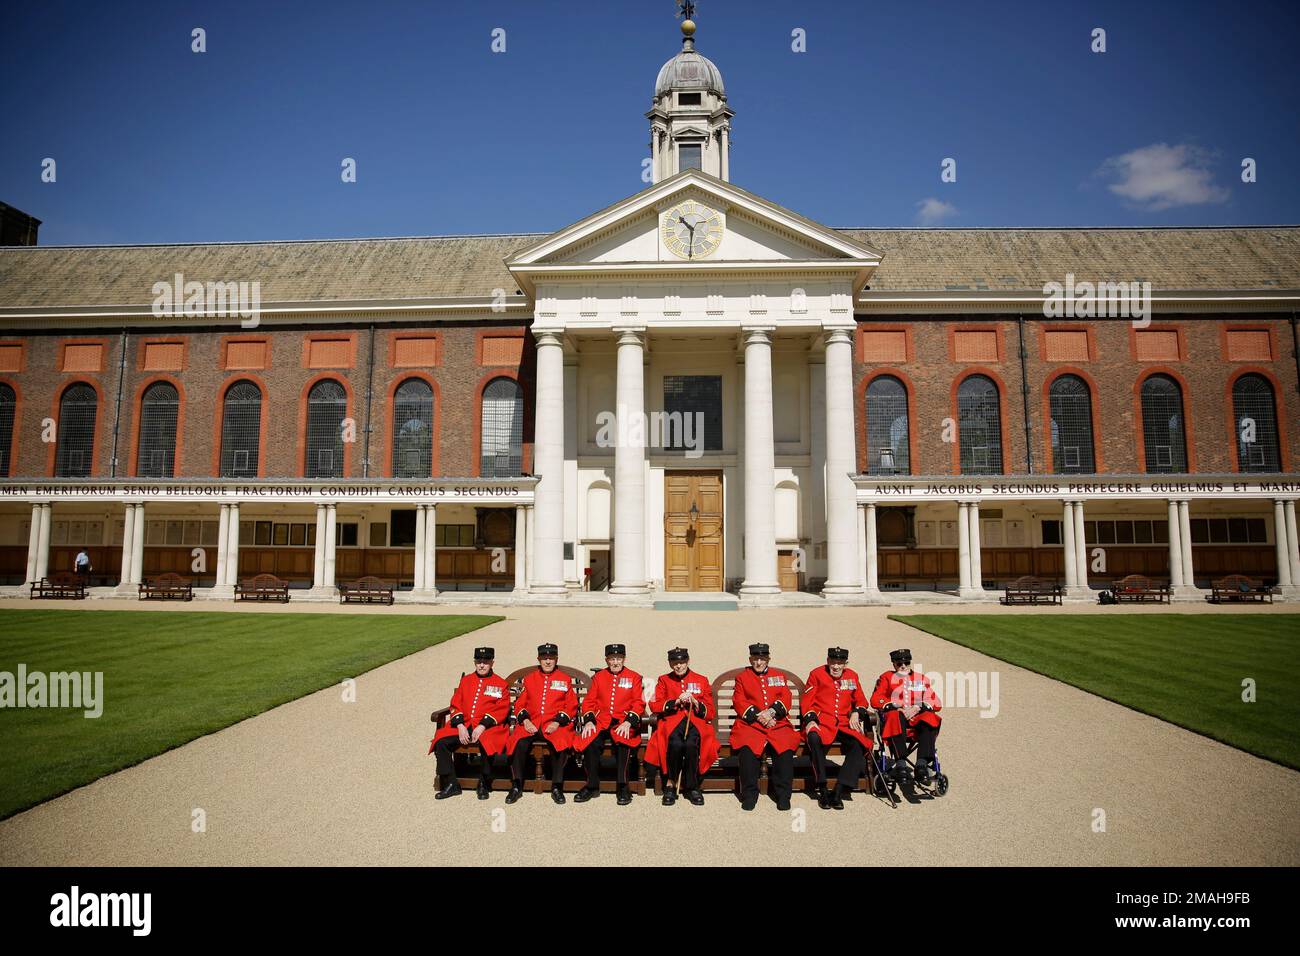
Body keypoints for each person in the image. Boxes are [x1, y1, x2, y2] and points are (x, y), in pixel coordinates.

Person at [429, 647, 511, 800]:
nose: (482, 665)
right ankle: (451, 783)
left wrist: (482, 726)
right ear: (474, 662)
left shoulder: (500, 684)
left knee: (488, 741)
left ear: (492, 663)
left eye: (485, 662)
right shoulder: (466, 681)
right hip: (465, 724)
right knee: (441, 742)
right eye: (479, 661)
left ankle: (483, 782)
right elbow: (455, 704)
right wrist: (460, 725)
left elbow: (502, 708)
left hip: (489, 726)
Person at [730, 643, 800, 811]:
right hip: (751, 724)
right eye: (755, 659)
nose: (758, 662)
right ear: (750, 659)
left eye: (762, 659)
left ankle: (783, 794)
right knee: (747, 750)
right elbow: (739, 701)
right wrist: (760, 716)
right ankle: (749, 795)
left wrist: (772, 712)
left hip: (777, 722)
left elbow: (786, 696)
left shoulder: (778, 676)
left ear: (768, 659)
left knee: (784, 749)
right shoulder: (742, 677)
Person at [645, 647, 719, 806]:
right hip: (672, 722)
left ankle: (692, 786)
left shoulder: (701, 679)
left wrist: (696, 702)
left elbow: (710, 712)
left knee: (692, 745)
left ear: (688, 661)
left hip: (695, 723)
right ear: (670, 663)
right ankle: (671, 784)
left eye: (682, 662)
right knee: (676, 744)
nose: (678, 666)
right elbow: (655, 705)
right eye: (675, 663)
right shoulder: (664, 680)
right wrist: (675, 702)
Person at [505, 643, 577, 805]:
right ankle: (516, 785)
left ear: (556, 659)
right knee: (518, 742)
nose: (548, 661)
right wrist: (525, 720)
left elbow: (571, 706)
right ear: (539, 659)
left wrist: (558, 722)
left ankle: (557, 786)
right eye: (544, 658)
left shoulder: (564, 679)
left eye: (551, 658)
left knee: (560, 743)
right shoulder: (530, 679)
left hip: (554, 724)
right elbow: (519, 705)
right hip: (532, 723)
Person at [572, 644, 644, 805]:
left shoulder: (634, 677)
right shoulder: (599, 677)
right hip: (601, 721)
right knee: (590, 741)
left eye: (619, 658)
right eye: (612, 659)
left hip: (622, 721)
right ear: (607, 660)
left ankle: (623, 786)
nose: (616, 662)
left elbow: (639, 703)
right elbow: (589, 702)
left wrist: (628, 722)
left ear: (624, 659)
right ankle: (592, 786)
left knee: (623, 742)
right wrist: (589, 721)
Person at [802, 647, 872, 810]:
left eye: (840, 663)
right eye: (833, 662)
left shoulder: (852, 676)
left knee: (858, 745)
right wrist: (811, 720)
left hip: (843, 723)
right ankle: (823, 788)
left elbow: (861, 700)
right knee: (813, 739)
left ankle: (839, 791)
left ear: (845, 664)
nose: (836, 666)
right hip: (822, 722)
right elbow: (807, 701)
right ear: (828, 661)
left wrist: (856, 712)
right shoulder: (816, 674)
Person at [870, 648, 943, 784]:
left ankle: (921, 765)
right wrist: (899, 706)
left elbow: (936, 703)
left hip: (917, 719)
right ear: (893, 664)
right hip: (897, 718)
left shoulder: (921, 679)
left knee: (931, 718)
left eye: (906, 663)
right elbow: (875, 699)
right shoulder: (886, 677)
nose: (903, 666)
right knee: (894, 717)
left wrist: (917, 707)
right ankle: (901, 764)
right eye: (899, 663)